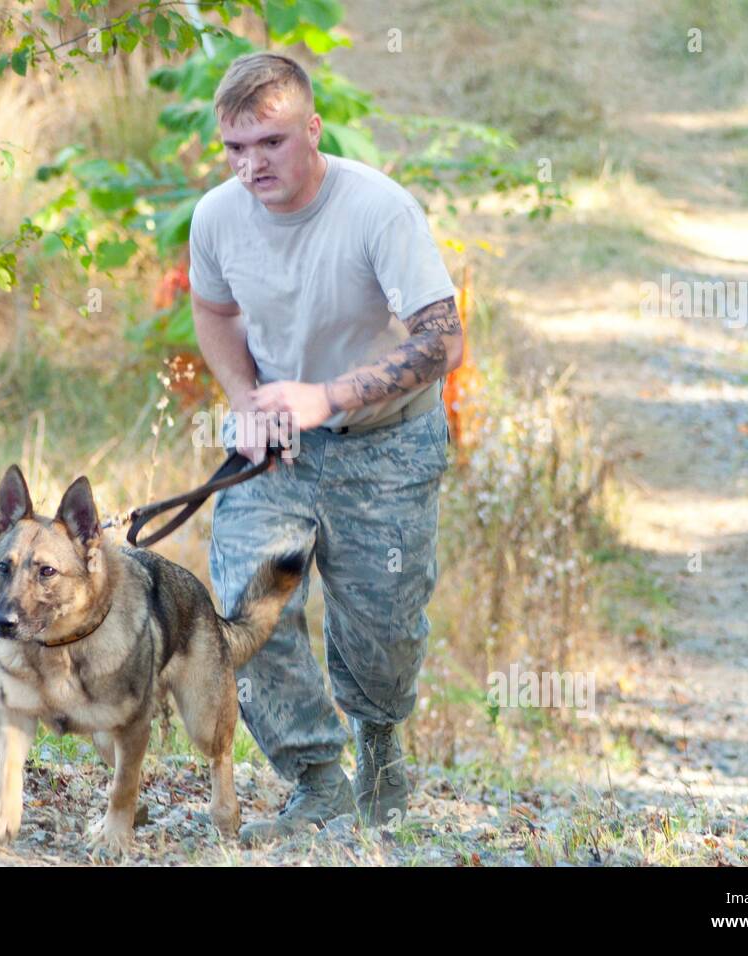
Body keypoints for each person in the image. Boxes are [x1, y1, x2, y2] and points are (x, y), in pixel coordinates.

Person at [189, 51, 462, 846]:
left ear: (312, 128)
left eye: (269, 142)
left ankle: (381, 744)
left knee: (382, 632)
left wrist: (330, 394)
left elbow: (443, 340)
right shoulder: (217, 216)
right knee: (245, 608)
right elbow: (214, 311)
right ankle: (316, 780)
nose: (250, 166)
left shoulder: (379, 210)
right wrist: (245, 401)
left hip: (389, 445)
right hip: (281, 449)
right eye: (235, 148)